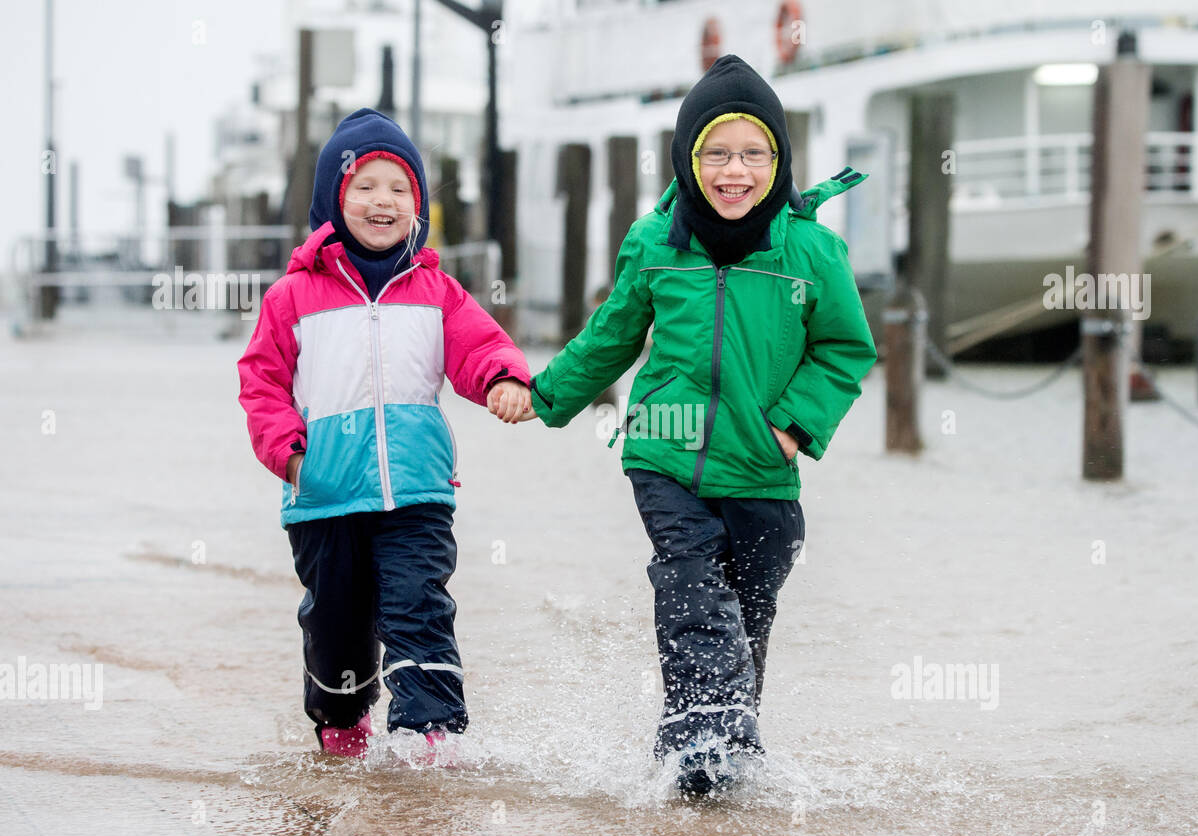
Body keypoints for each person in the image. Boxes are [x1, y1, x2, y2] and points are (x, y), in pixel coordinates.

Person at [524, 55, 877, 795]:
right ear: (689, 158)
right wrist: (545, 392)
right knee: (690, 584)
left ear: (777, 163)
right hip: (665, 452)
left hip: (763, 466)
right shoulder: (656, 243)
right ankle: (700, 745)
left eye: (753, 153)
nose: (734, 170)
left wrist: (795, 426)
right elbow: (613, 335)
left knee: (743, 626)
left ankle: (711, 760)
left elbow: (846, 349)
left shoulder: (811, 251)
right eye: (716, 152)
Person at [237, 108, 532, 761]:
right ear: (333, 200)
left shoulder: (437, 290)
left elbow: (480, 350)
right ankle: (341, 722)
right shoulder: (291, 297)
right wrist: (286, 453)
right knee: (338, 629)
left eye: (400, 188)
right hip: (323, 495)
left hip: (417, 495)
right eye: (366, 185)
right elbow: (260, 383)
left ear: (418, 206)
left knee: (418, 605)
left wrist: (506, 380)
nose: (384, 201)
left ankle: (430, 731)